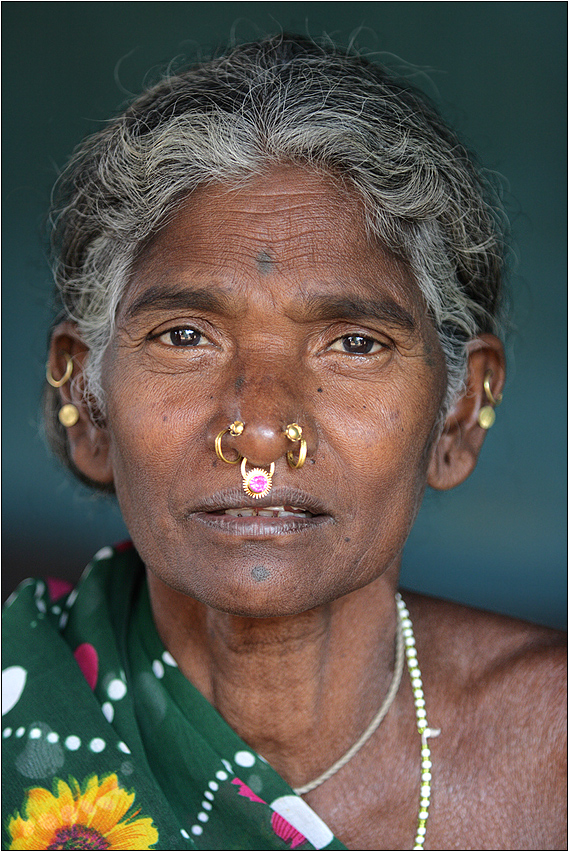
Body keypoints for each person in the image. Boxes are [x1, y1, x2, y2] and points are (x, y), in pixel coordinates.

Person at [2, 34, 565, 852]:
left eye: (354, 344)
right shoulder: (21, 717)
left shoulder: (552, 762)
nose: (261, 430)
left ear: (458, 412)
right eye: (185, 336)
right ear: (82, 399)